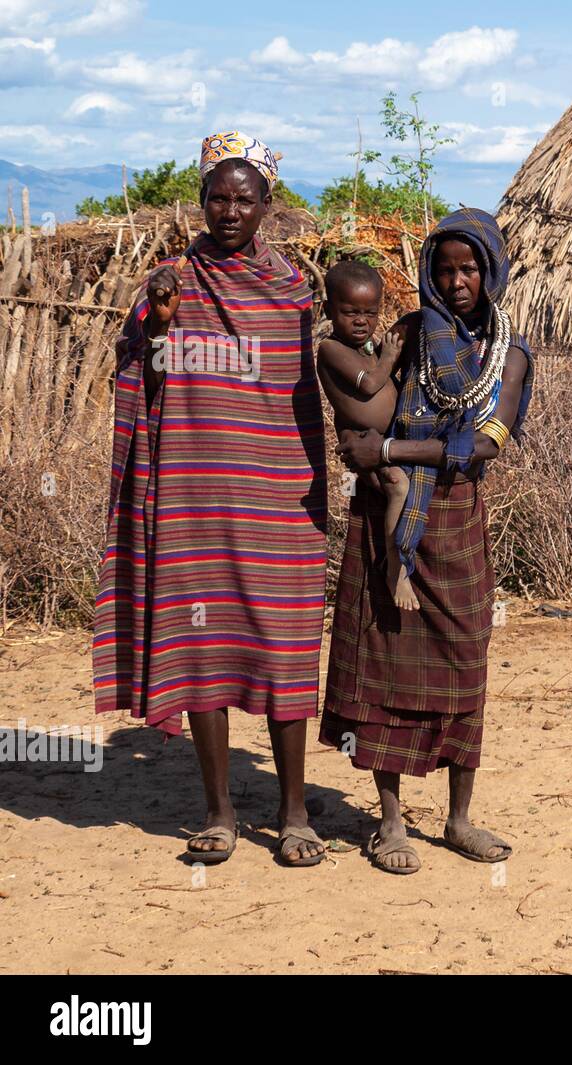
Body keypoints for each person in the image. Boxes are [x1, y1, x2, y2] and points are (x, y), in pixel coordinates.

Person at [93, 131, 329, 867]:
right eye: (218, 197)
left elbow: (305, 393)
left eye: (245, 198)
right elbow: (141, 385)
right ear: (201, 201)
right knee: (204, 647)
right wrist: (158, 329)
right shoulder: (169, 284)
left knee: (285, 648)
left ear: (268, 204)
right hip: (194, 496)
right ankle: (220, 811)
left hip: (279, 495)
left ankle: (294, 814)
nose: (230, 210)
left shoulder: (292, 289)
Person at [322, 208, 534, 875]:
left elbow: (479, 446)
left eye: (468, 267)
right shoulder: (408, 334)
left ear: (491, 269)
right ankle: (388, 822)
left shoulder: (513, 355)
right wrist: (373, 446)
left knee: (466, 665)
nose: (457, 279)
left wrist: (388, 447)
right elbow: (358, 396)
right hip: (387, 521)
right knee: (386, 664)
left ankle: (459, 817)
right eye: (444, 268)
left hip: (456, 517)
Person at [315, 261, 416, 609]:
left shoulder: (368, 347)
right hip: (363, 442)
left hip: (387, 437)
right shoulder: (331, 350)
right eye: (350, 312)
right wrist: (389, 357)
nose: (362, 321)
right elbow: (372, 383)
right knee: (397, 486)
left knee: (410, 489)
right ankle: (395, 565)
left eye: (370, 313)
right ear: (329, 310)